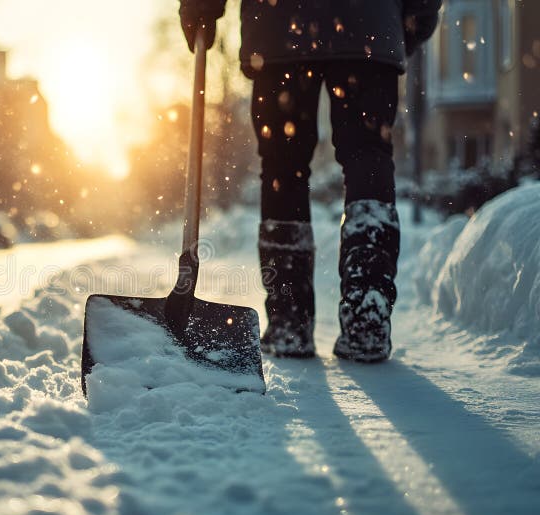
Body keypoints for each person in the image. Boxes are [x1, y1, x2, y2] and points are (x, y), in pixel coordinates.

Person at [179, 0, 441, 362]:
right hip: (370, 23)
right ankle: (368, 311)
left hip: (281, 24)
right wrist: (415, 16)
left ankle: (290, 321)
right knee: (368, 154)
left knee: (283, 167)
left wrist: (199, 7)